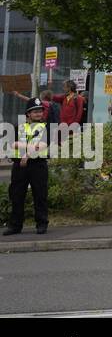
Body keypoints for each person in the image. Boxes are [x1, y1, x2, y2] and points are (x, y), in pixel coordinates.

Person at [4, 97, 50, 236]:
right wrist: (30, 148)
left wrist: (27, 154)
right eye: (35, 111)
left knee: (40, 195)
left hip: (38, 165)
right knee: (17, 195)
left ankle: (41, 224)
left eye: (40, 111)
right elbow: (13, 144)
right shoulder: (19, 128)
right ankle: (15, 226)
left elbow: (42, 146)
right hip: (20, 167)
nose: (38, 114)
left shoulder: (46, 128)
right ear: (28, 114)